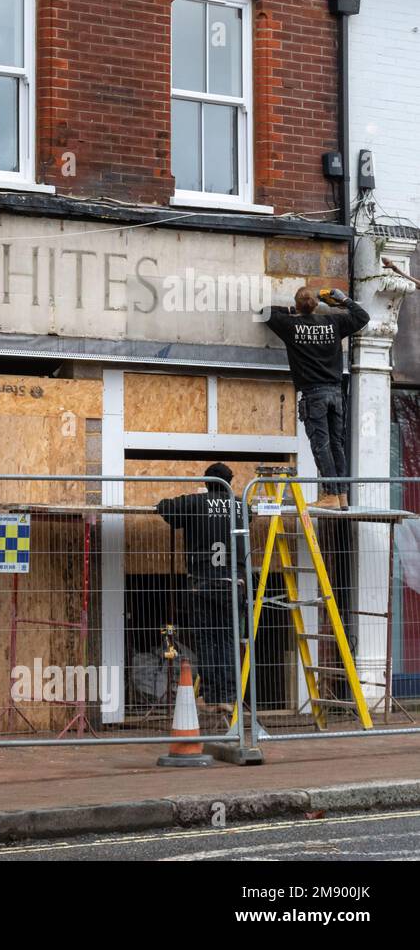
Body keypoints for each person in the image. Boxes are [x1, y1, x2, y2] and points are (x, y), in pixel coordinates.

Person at [261, 286, 369, 509]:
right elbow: (362, 317)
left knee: (321, 445)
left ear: (298, 305)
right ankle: (341, 496)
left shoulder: (292, 325)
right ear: (317, 305)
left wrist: (292, 309)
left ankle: (330, 494)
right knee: (337, 445)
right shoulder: (333, 322)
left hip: (314, 395)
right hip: (335, 393)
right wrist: (343, 300)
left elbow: (263, 312)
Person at [156, 463, 239, 713]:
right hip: (231, 583)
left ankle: (212, 696)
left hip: (202, 582)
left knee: (206, 639)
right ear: (229, 482)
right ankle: (229, 695)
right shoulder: (240, 506)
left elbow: (166, 508)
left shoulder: (195, 503)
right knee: (227, 639)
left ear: (206, 482)